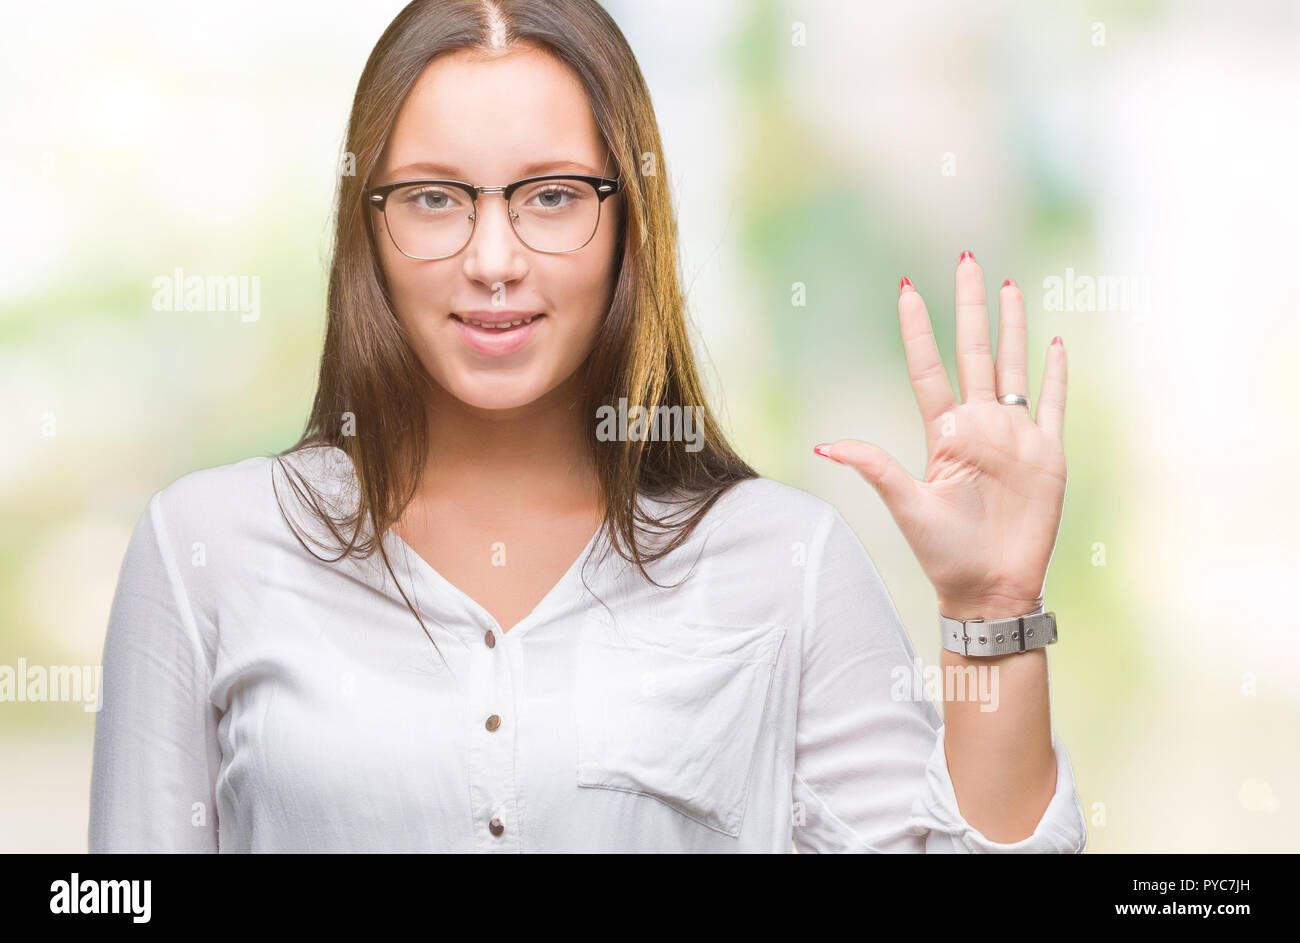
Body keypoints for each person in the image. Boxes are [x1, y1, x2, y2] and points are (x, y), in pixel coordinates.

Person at [89, 0, 1086, 853]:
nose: (493, 257)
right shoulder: (204, 549)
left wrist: (993, 608)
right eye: (436, 198)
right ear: (368, 225)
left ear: (627, 225)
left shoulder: (784, 561)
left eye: (553, 196)